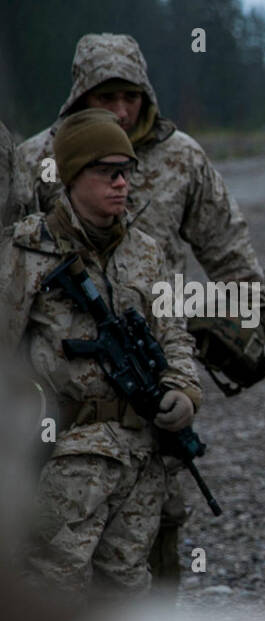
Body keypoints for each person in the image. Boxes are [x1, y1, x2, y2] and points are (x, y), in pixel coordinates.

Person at [13, 33, 265, 600]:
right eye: (105, 96)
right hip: (57, 406)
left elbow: (234, 264)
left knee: (154, 530)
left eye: (130, 96)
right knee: (50, 554)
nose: (120, 110)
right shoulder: (35, 160)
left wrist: (216, 348)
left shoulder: (182, 158)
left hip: (148, 368)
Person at [2, 109, 201, 595]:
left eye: (126, 171)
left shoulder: (145, 251)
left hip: (139, 456)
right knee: (51, 589)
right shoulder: (26, 253)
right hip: (62, 458)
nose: (121, 183)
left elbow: (172, 332)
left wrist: (184, 389)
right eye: (106, 171)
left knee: (126, 594)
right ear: (71, 175)